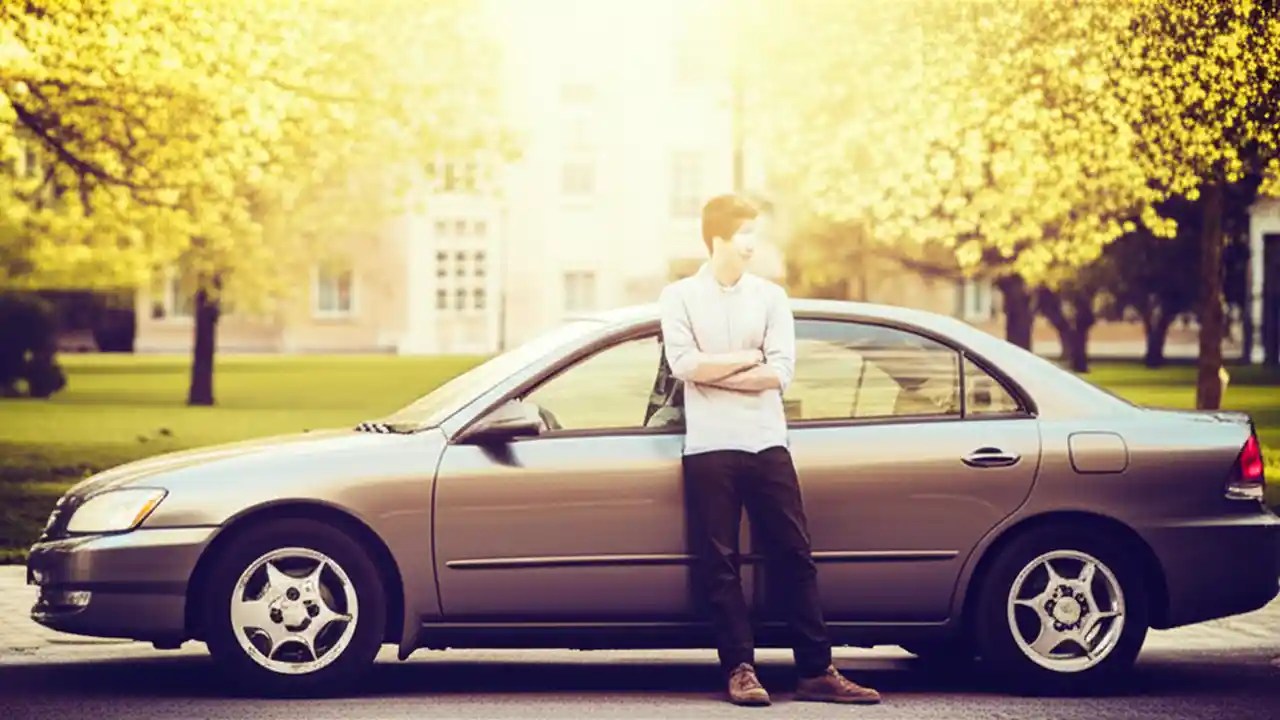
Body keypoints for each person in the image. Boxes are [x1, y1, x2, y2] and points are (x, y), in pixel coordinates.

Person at [658, 194, 882, 707]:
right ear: (718, 237)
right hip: (710, 447)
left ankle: (816, 670)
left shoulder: (771, 297)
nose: (753, 242)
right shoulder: (680, 296)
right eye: (745, 233)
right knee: (719, 563)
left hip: (766, 443)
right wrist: (745, 359)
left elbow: (778, 375)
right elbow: (684, 365)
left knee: (794, 555)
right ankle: (740, 670)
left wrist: (721, 369)